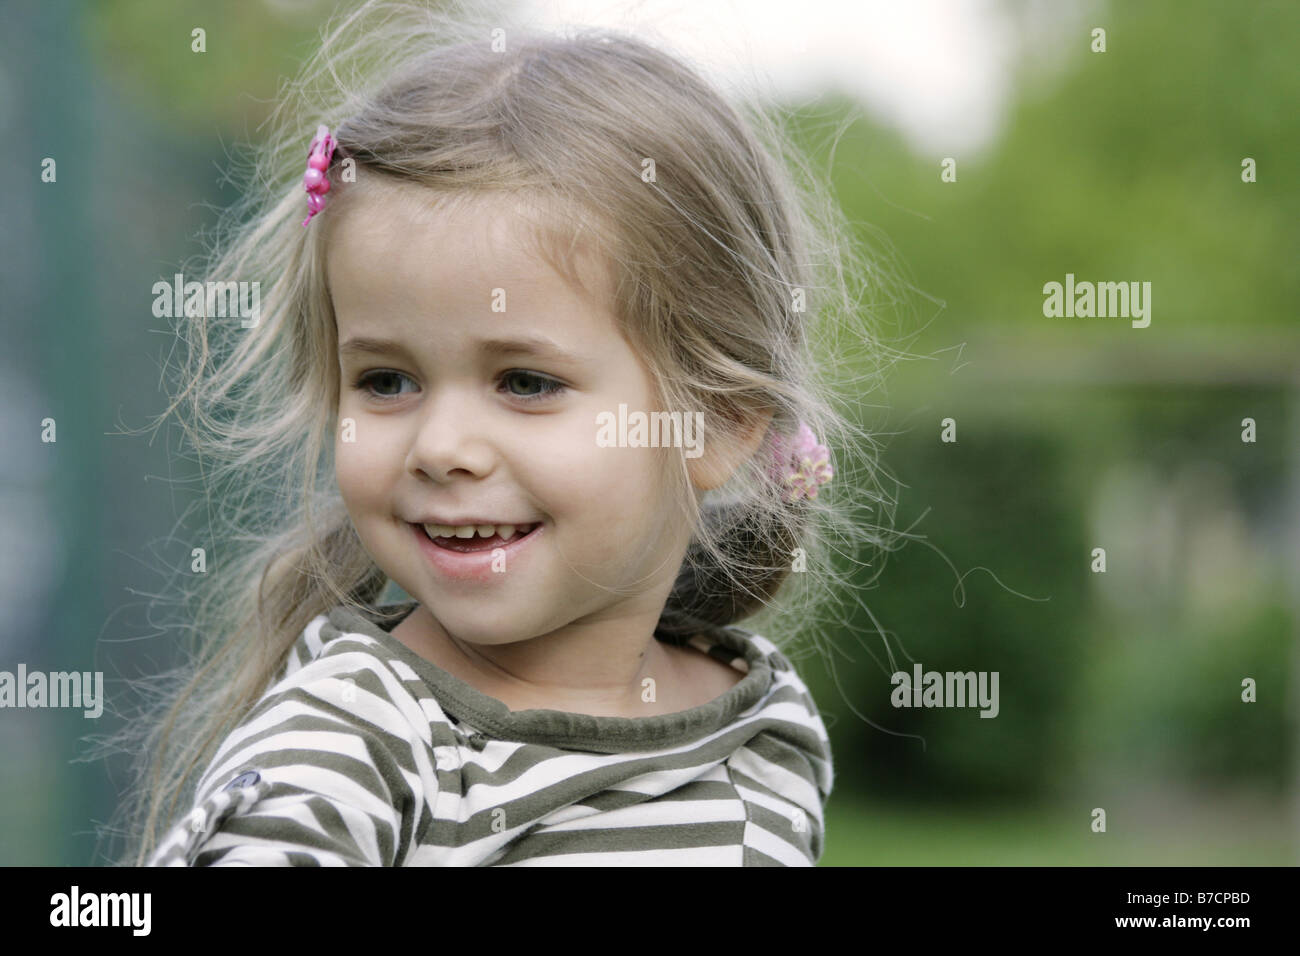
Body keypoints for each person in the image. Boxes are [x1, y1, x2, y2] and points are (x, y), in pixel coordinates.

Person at [115, 0, 894, 867]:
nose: (441, 446)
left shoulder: (765, 728)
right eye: (387, 381)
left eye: (525, 383)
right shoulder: (353, 741)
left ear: (717, 422)